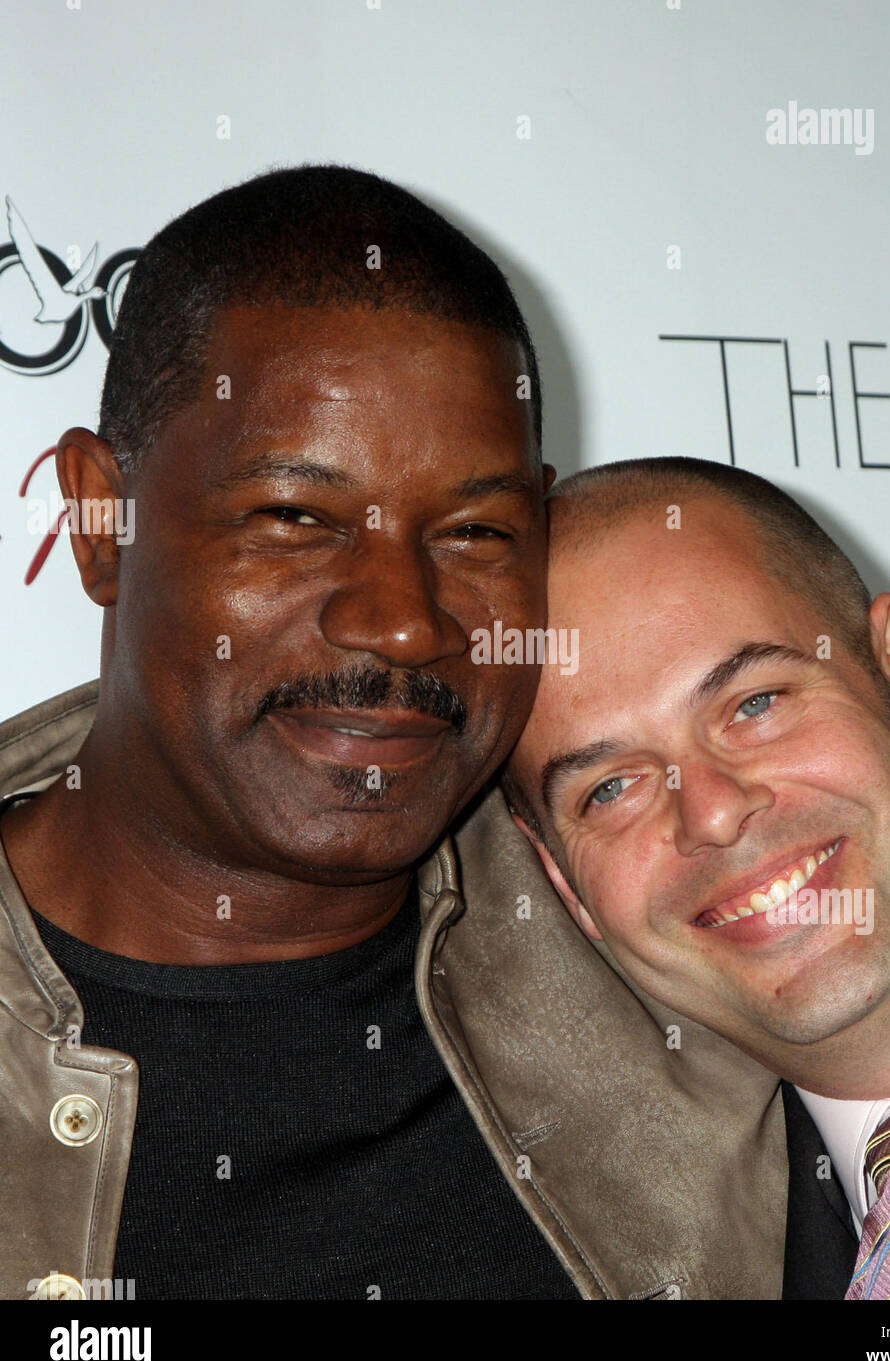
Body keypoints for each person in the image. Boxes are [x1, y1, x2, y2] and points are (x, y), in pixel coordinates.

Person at [0, 173, 784, 1301]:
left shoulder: (680, 934)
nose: (404, 618)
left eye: (475, 531)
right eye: (295, 519)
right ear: (98, 518)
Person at [504, 455, 890, 1301]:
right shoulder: (646, 1245)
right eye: (610, 788)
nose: (712, 812)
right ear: (565, 886)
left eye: (753, 703)